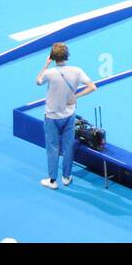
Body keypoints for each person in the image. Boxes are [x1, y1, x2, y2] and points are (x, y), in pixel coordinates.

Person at [35, 42, 96, 189]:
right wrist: (76, 96)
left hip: (52, 117)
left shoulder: (49, 73)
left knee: (53, 148)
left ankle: (52, 180)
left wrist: (45, 65)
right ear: (67, 55)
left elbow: (38, 81)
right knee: (68, 147)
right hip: (69, 116)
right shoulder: (76, 71)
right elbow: (92, 87)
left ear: (52, 57)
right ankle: (67, 177)